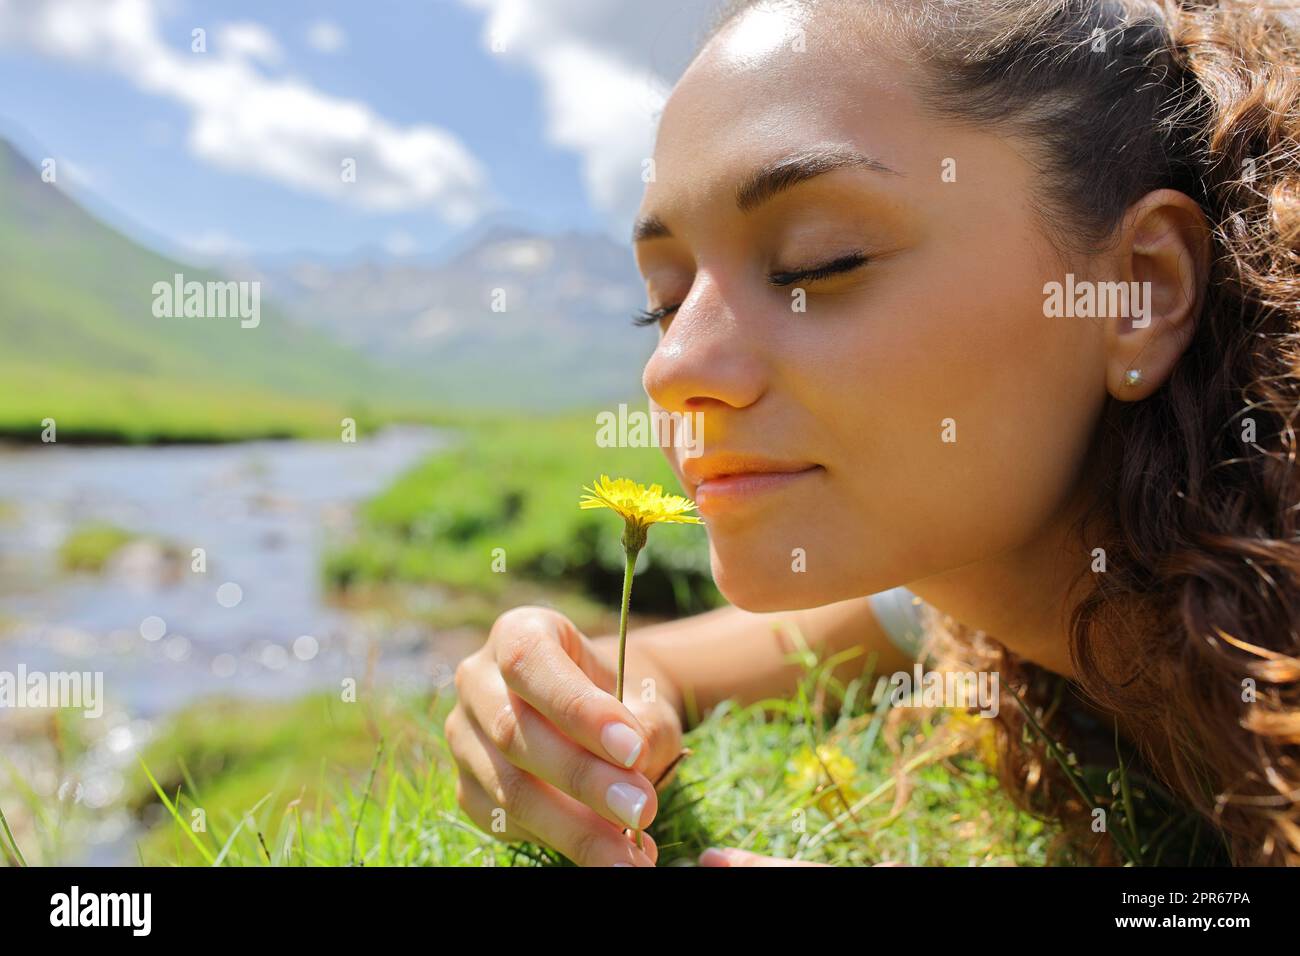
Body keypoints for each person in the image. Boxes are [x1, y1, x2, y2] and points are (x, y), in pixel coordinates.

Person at [445, 0, 1300, 866]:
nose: (671, 370)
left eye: (819, 263)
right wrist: (570, 705)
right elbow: (663, 670)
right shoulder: (967, 588)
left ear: (1139, 290)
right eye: (664, 303)